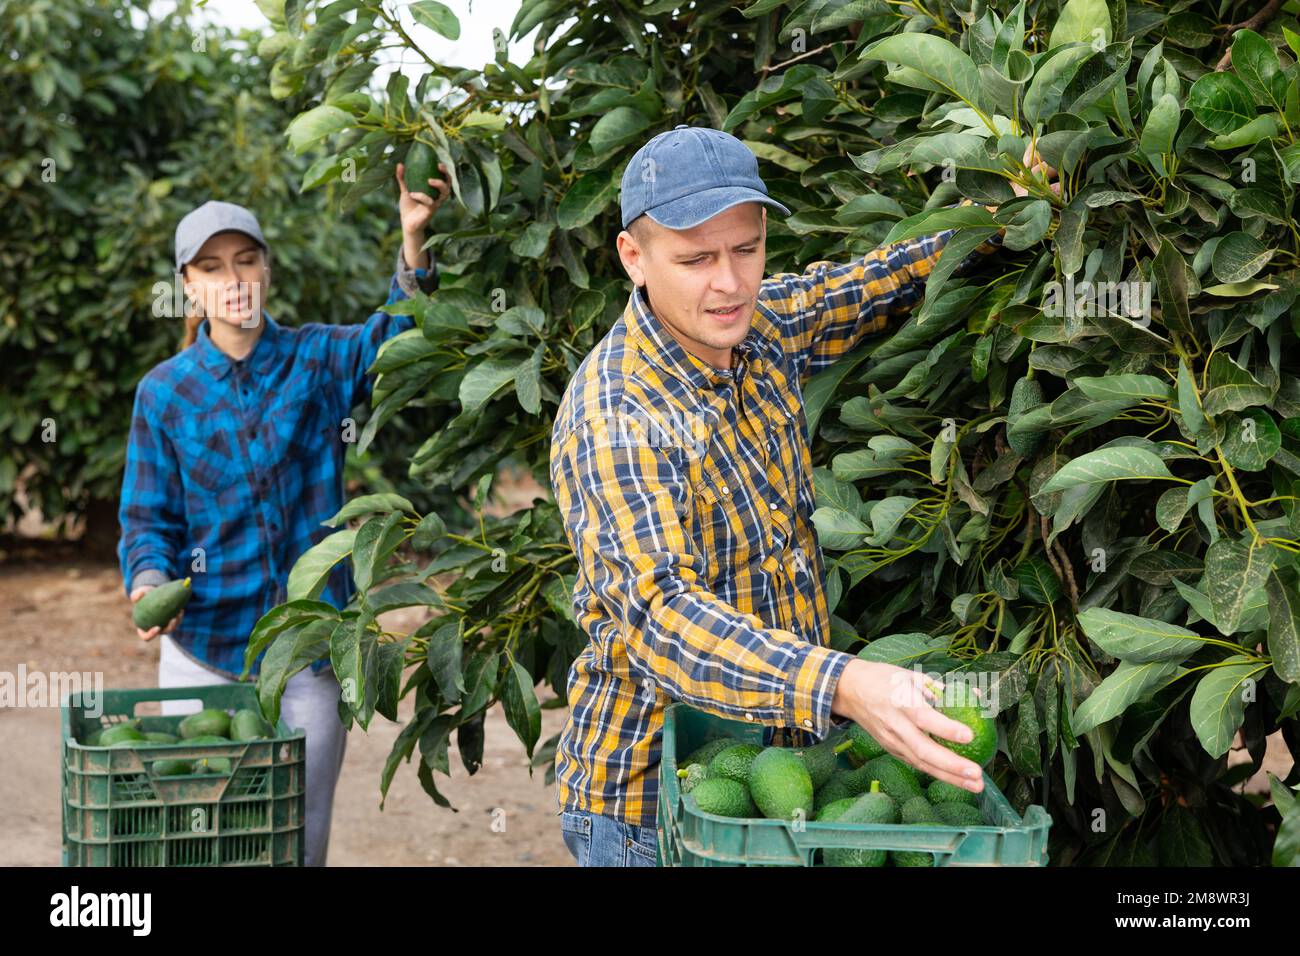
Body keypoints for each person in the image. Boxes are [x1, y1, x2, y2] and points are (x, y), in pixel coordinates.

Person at [548, 124, 1056, 866]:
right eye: (694, 259)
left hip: (775, 792)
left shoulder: (759, 328)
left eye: (746, 249)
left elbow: (865, 284)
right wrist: (843, 684)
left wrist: (999, 215)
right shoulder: (617, 414)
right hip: (649, 812)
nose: (729, 283)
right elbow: (661, 615)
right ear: (634, 257)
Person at [117, 162, 451, 867]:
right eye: (212, 267)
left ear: (266, 268)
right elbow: (148, 517)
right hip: (205, 646)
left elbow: (394, 339)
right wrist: (149, 576)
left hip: (308, 650)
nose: (233, 279)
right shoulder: (163, 395)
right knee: (200, 829)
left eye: (245, 260)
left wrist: (413, 242)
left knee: (298, 831)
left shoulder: (316, 361)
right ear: (188, 285)